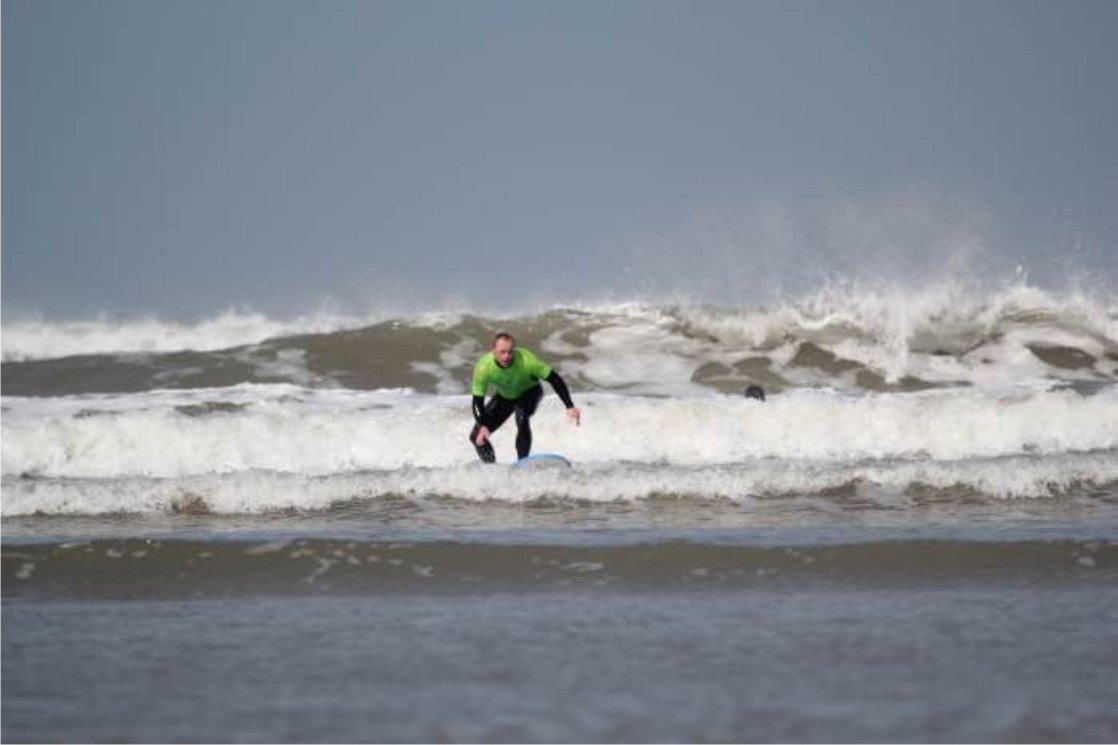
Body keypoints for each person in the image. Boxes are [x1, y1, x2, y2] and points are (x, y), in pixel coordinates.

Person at [469, 332, 580, 463]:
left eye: (510, 352)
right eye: (502, 352)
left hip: (530, 393)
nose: (506, 356)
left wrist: (569, 406)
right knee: (476, 436)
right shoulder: (484, 367)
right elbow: (477, 401)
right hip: (505, 398)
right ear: (493, 351)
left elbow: (555, 379)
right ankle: (491, 468)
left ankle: (522, 463)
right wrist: (483, 425)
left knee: (521, 417)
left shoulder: (527, 362)